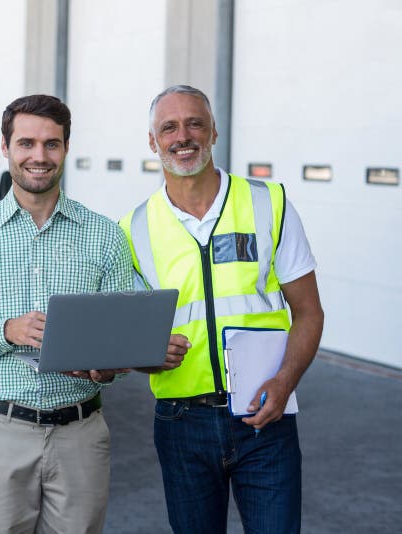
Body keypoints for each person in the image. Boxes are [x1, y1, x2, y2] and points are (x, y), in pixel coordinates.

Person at [0, 94, 189, 534]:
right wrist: (6, 331)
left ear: (67, 148)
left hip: (80, 437)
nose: (39, 156)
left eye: (51, 144)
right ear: (5, 147)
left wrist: (107, 369)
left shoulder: (105, 236)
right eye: (26, 143)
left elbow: (118, 343)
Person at [119, 85, 324, 533]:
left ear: (214, 131)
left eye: (195, 123)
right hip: (180, 423)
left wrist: (285, 381)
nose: (183, 136)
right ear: (152, 141)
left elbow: (309, 311)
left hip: (263, 417)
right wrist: (147, 355)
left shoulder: (268, 203)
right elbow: (132, 342)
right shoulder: (133, 229)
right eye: (169, 128)